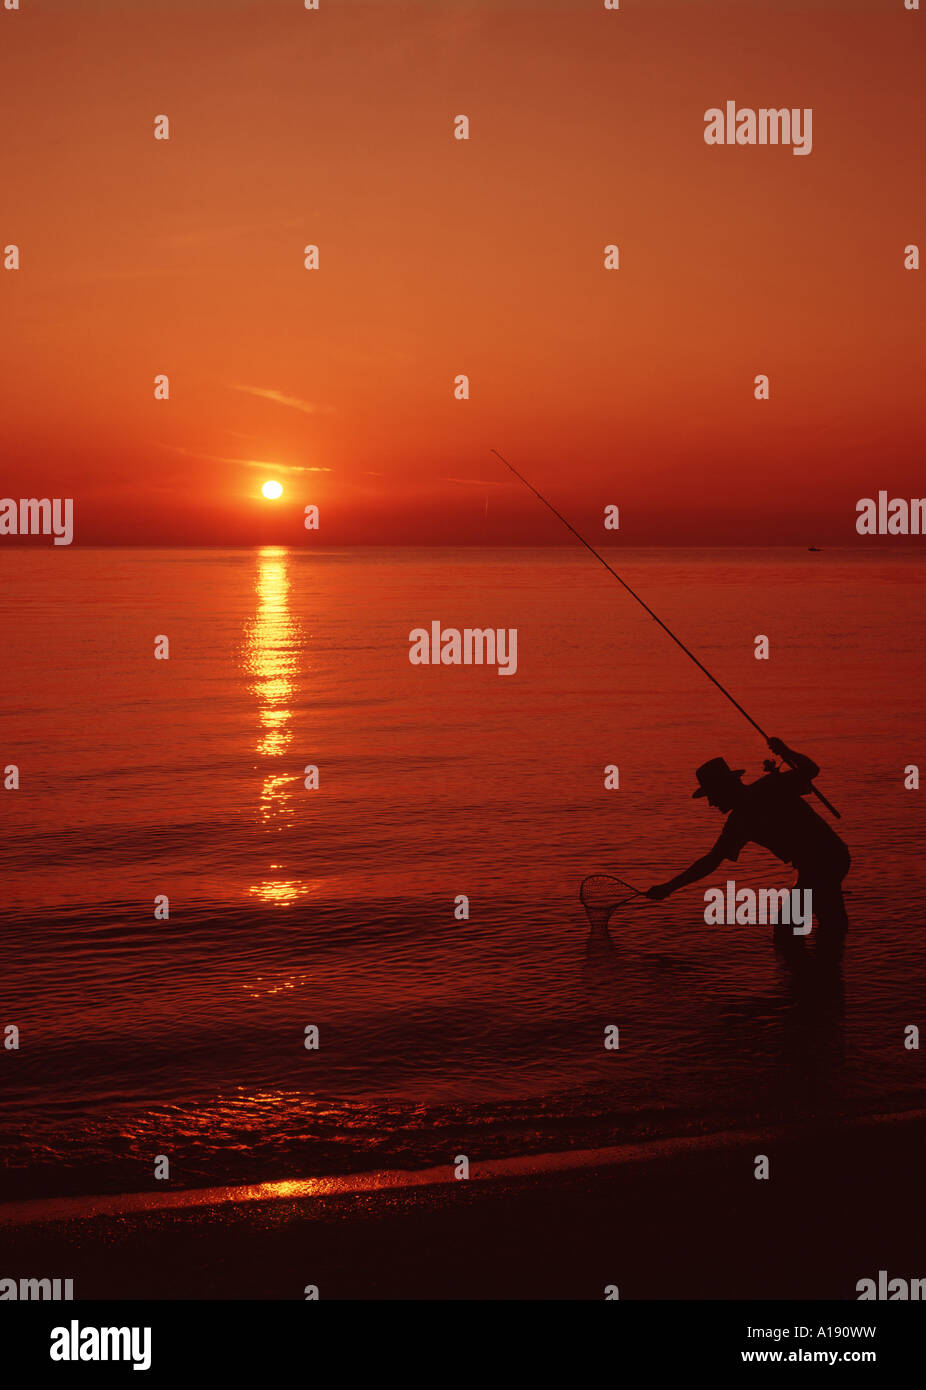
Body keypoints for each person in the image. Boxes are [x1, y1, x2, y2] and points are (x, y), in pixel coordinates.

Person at [646, 738, 850, 933]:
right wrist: (669, 887)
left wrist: (785, 751)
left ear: (725, 788)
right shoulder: (738, 822)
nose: (711, 803)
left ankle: (828, 963)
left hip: (826, 859)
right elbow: (711, 861)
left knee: (788, 929)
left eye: (712, 795)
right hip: (816, 864)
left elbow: (811, 770)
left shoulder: (771, 787)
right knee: (827, 921)